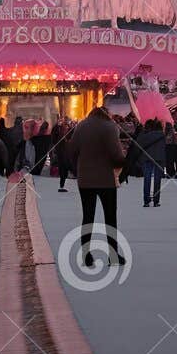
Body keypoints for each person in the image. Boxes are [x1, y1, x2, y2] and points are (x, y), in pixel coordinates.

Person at [68, 106, 127, 265]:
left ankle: (86, 255)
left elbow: (72, 150)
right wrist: (124, 161)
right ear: (106, 114)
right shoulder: (109, 127)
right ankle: (113, 254)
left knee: (88, 216)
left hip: (85, 179)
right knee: (110, 217)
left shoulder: (81, 126)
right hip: (105, 178)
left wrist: (78, 169)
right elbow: (116, 154)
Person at [134, 118, 167, 208]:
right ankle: (156, 201)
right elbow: (164, 149)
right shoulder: (162, 136)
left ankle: (146, 201)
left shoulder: (144, 135)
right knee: (157, 180)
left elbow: (138, 146)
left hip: (146, 159)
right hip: (159, 159)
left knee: (147, 179)